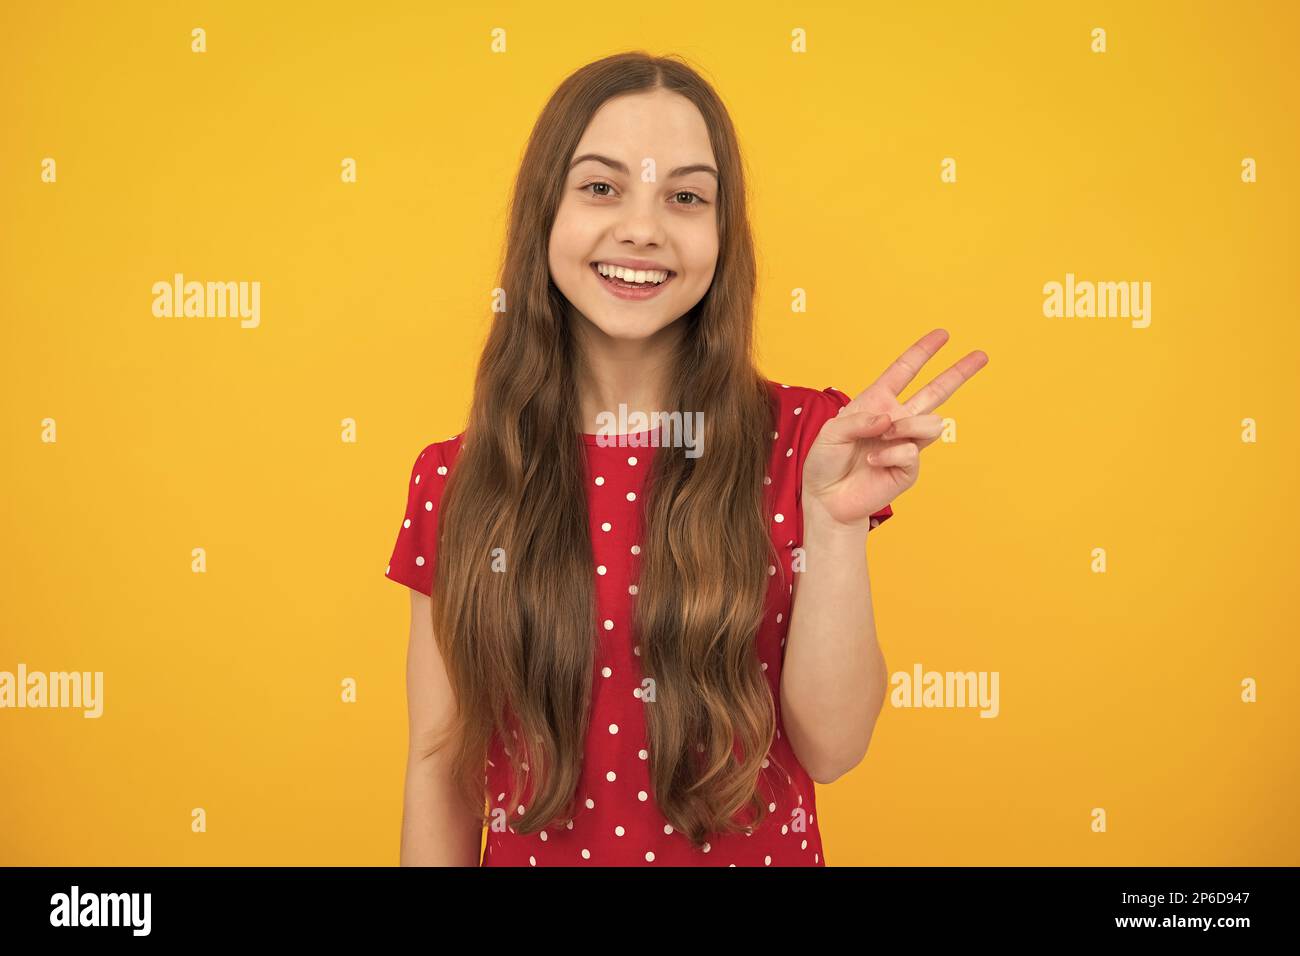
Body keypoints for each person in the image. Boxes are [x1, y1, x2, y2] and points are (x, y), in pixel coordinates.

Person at [386, 51, 988, 866]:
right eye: (601, 187)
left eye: (685, 196)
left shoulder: (810, 442)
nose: (643, 227)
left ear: (720, 233)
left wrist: (836, 525)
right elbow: (439, 763)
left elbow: (835, 747)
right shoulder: (456, 480)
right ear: (545, 214)